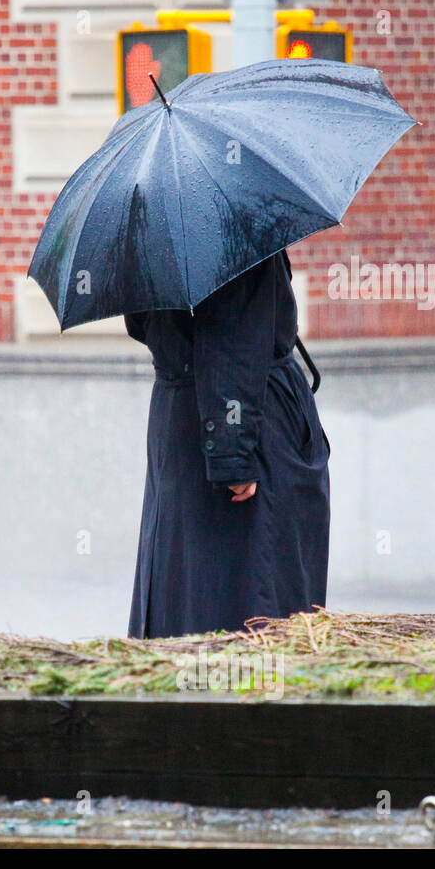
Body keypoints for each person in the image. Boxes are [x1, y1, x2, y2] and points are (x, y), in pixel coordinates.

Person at [124, 249, 330, 638]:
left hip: (183, 416)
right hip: (244, 420)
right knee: (250, 599)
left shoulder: (152, 225)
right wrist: (234, 456)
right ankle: (239, 695)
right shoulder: (232, 227)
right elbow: (233, 328)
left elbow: (138, 323)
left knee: (189, 590)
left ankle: (192, 689)